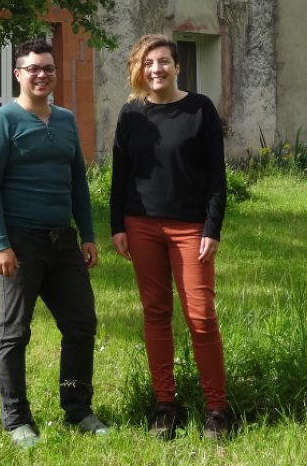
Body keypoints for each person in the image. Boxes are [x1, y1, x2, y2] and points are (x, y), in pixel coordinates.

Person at [0, 37, 109, 449]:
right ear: (17, 74)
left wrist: (87, 235)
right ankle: (16, 419)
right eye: (33, 68)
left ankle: (77, 408)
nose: (41, 74)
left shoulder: (67, 120)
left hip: (63, 242)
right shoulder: (2, 121)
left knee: (81, 326)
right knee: (14, 332)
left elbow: (77, 184)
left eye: (48, 68)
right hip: (20, 241)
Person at [110, 34, 229, 440]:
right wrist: (117, 226)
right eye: (148, 63)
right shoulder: (131, 115)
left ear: (178, 67)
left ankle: (216, 408)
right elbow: (119, 176)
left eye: (163, 61)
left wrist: (212, 228)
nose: (156, 69)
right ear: (140, 69)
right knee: (156, 314)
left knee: (201, 316)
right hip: (141, 225)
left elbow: (217, 176)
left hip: (191, 229)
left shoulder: (200, 109)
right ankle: (165, 404)